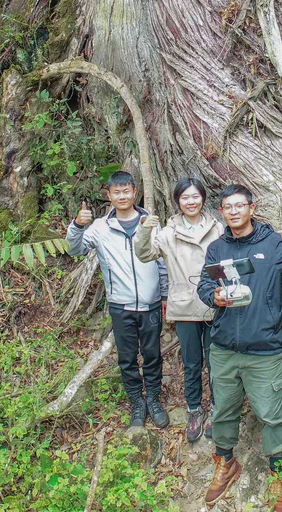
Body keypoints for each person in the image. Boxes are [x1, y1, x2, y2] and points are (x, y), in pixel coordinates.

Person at [196, 184, 282, 512]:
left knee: (271, 415)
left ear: (252, 207)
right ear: (221, 212)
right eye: (227, 207)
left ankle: (279, 474)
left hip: (264, 348)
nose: (233, 211)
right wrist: (213, 296)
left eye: (239, 206)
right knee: (223, 410)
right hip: (223, 347)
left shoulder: (273, 243)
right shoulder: (218, 248)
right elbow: (206, 283)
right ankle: (225, 462)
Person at [66, 170, 170, 429]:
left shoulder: (151, 222)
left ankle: (154, 399)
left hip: (151, 303)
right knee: (126, 358)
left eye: (127, 191)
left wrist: (165, 294)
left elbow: (163, 262)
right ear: (109, 196)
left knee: (152, 354)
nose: (122, 196)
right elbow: (76, 249)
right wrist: (78, 225)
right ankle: (137, 402)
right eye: (117, 192)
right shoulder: (101, 228)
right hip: (120, 305)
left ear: (135, 192)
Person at [135, 177, 223, 442]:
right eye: (185, 197)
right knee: (192, 362)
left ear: (203, 199)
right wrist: (144, 231)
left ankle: (219, 411)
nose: (191, 201)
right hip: (185, 305)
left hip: (215, 304)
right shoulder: (168, 232)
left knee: (217, 362)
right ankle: (194, 409)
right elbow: (144, 254)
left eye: (195, 196)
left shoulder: (217, 228)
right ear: (177, 201)